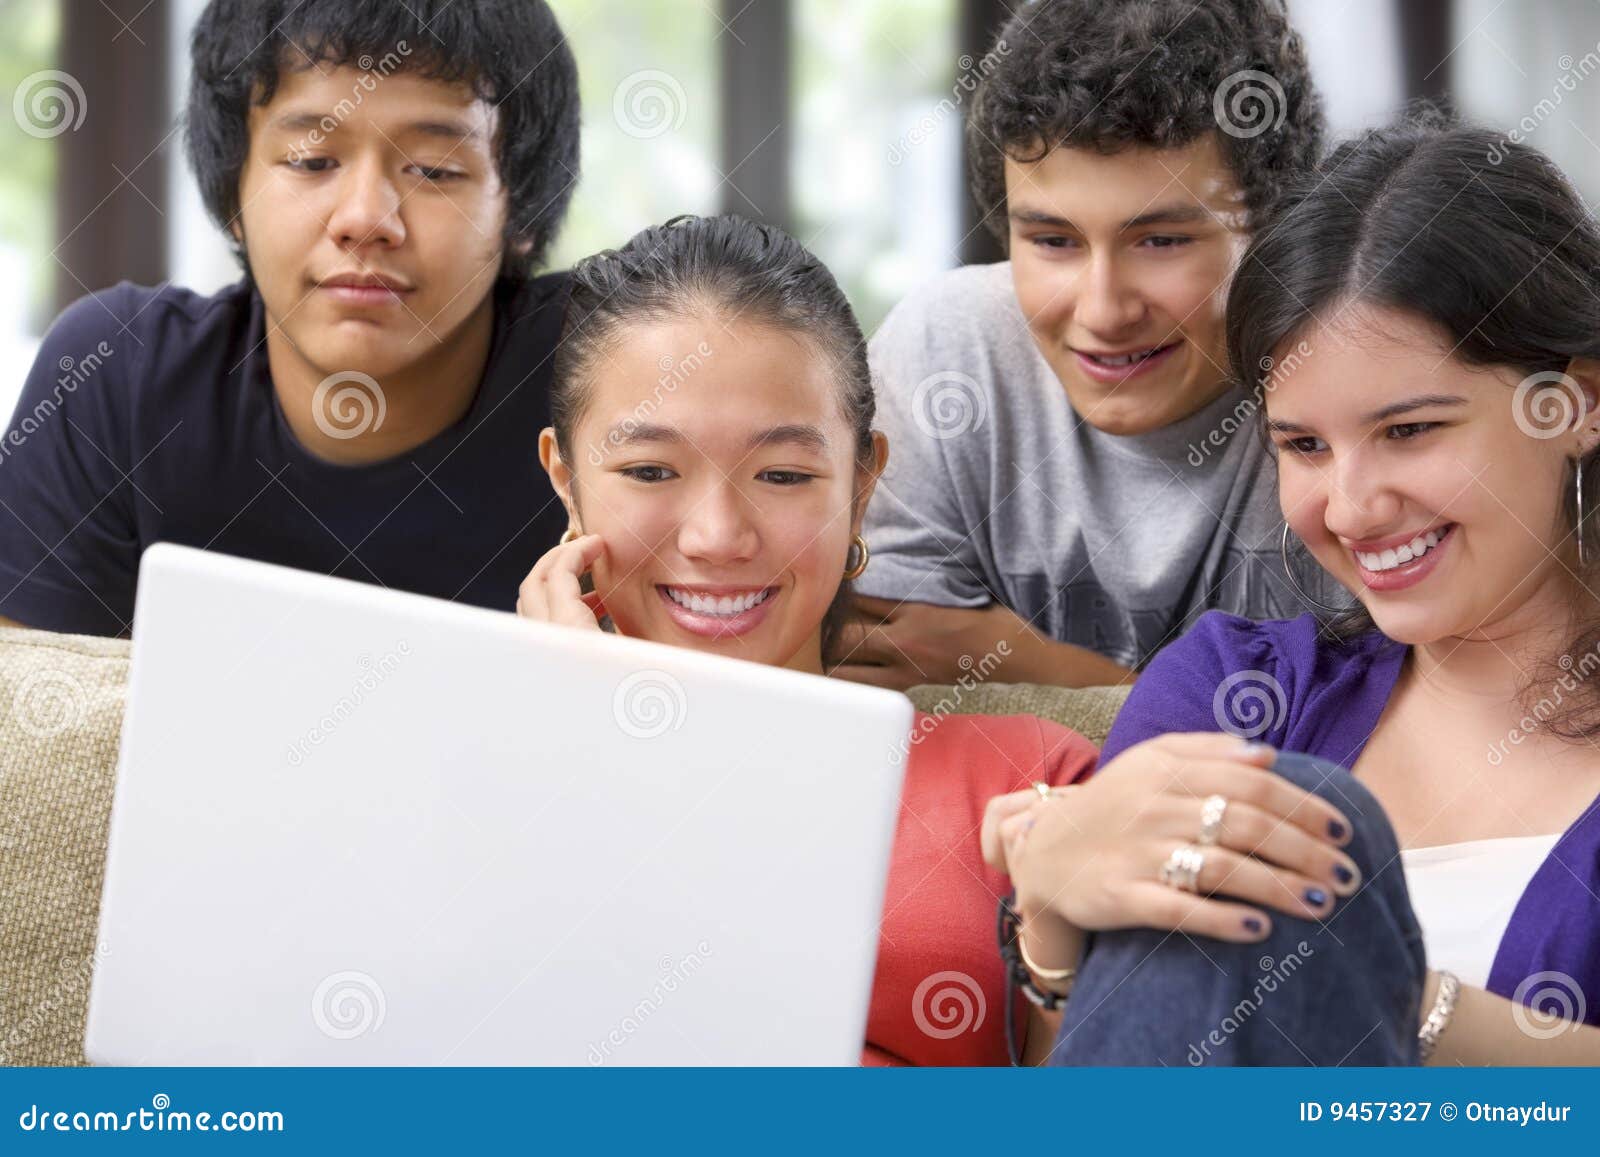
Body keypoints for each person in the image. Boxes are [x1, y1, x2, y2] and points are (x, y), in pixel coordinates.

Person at [986, 118, 1600, 1065]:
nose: (1350, 508)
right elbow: (1100, 1057)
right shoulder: (1233, 692)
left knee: (1305, 822)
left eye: (1410, 431)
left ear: (1576, 403)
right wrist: (1053, 906)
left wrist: (1370, 982)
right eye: (1304, 445)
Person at [513, 213, 1118, 1064]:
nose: (718, 537)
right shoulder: (479, 776)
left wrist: (1055, 953)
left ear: (862, 483)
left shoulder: (1030, 782)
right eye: (651, 471)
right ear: (566, 480)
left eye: (784, 475)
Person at [0, 0, 579, 636]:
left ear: (518, 211)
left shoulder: (613, 378)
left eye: (434, 170)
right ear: (233, 196)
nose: (365, 219)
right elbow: (33, 710)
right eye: (311, 161)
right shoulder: (116, 376)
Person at [835, 0, 1333, 691]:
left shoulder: (1343, 386)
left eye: (1162, 241)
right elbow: (888, 698)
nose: (1103, 310)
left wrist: (1042, 671)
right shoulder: (950, 356)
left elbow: (1372, 758)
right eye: (1053, 242)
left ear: (1275, 234)